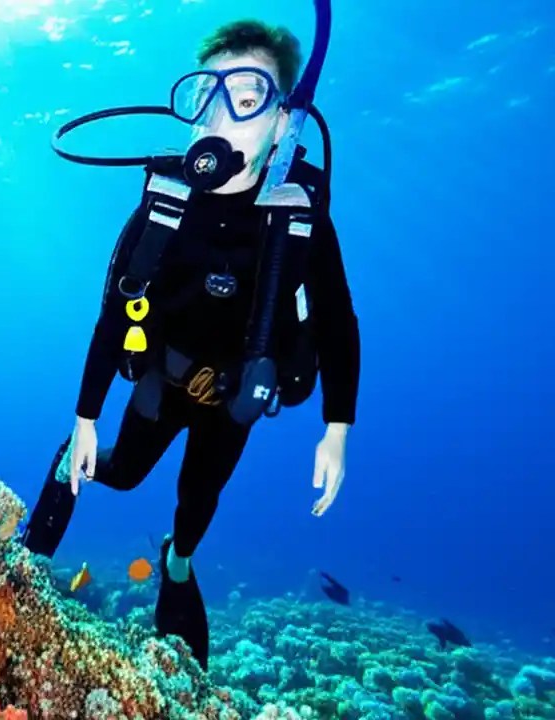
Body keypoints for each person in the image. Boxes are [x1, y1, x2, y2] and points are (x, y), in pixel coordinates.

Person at [21, 18, 361, 668]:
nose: (220, 112)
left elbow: (339, 321)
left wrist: (337, 428)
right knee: (116, 472)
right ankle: (34, 542)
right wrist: (86, 417)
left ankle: (177, 568)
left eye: (248, 94)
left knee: (195, 508)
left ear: (284, 122)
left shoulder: (300, 214)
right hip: (160, 385)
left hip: (233, 403)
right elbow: (114, 314)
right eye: (208, 91)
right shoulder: (166, 199)